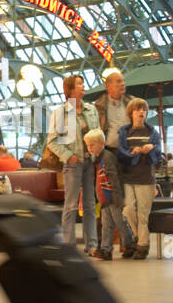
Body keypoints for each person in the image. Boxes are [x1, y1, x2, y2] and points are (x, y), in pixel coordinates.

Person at [46, 73, 99, 253]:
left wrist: (97, 150)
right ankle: (68, 245)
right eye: (78, 83)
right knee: (70, 206)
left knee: (91, 205)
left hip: (89, 162)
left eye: (83, 82)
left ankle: (92, 244)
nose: (83, 85)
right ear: (69, 90)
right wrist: (69, 156)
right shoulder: (60, 113)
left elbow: (98, 135)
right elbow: (52, 141)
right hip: (72, 164)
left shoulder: (91, 110)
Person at [117, 97, 161, 260]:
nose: (141, 112)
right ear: (131, 113)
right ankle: (137, 238)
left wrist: (151, 149)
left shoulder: (152, 132)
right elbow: (121, 153)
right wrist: (133, 153)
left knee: (143, 214)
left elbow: (158, 153)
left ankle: (142, 245)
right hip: (128, 177)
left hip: (146, 177)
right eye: (138, 110)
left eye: (143, 110)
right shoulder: (124, 131)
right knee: (128, 210)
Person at [84, 128, 135, 259]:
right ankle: (106, 250)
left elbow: (114, 178)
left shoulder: (107, 158)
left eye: (91, 145)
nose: (89, 148)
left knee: (120, 223)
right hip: (104, 198)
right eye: (87, 145)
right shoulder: (98, 159)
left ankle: (130, 245)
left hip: (112, 197)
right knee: (106, 225)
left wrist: (118, 197)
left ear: (101, 143)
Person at [94, 70, 131, 155]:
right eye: (118, 81)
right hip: (109, 151)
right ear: (108, 86)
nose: (123, 84)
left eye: (123, 81)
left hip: (130, 150)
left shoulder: (132, 102)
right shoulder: (99, 106)